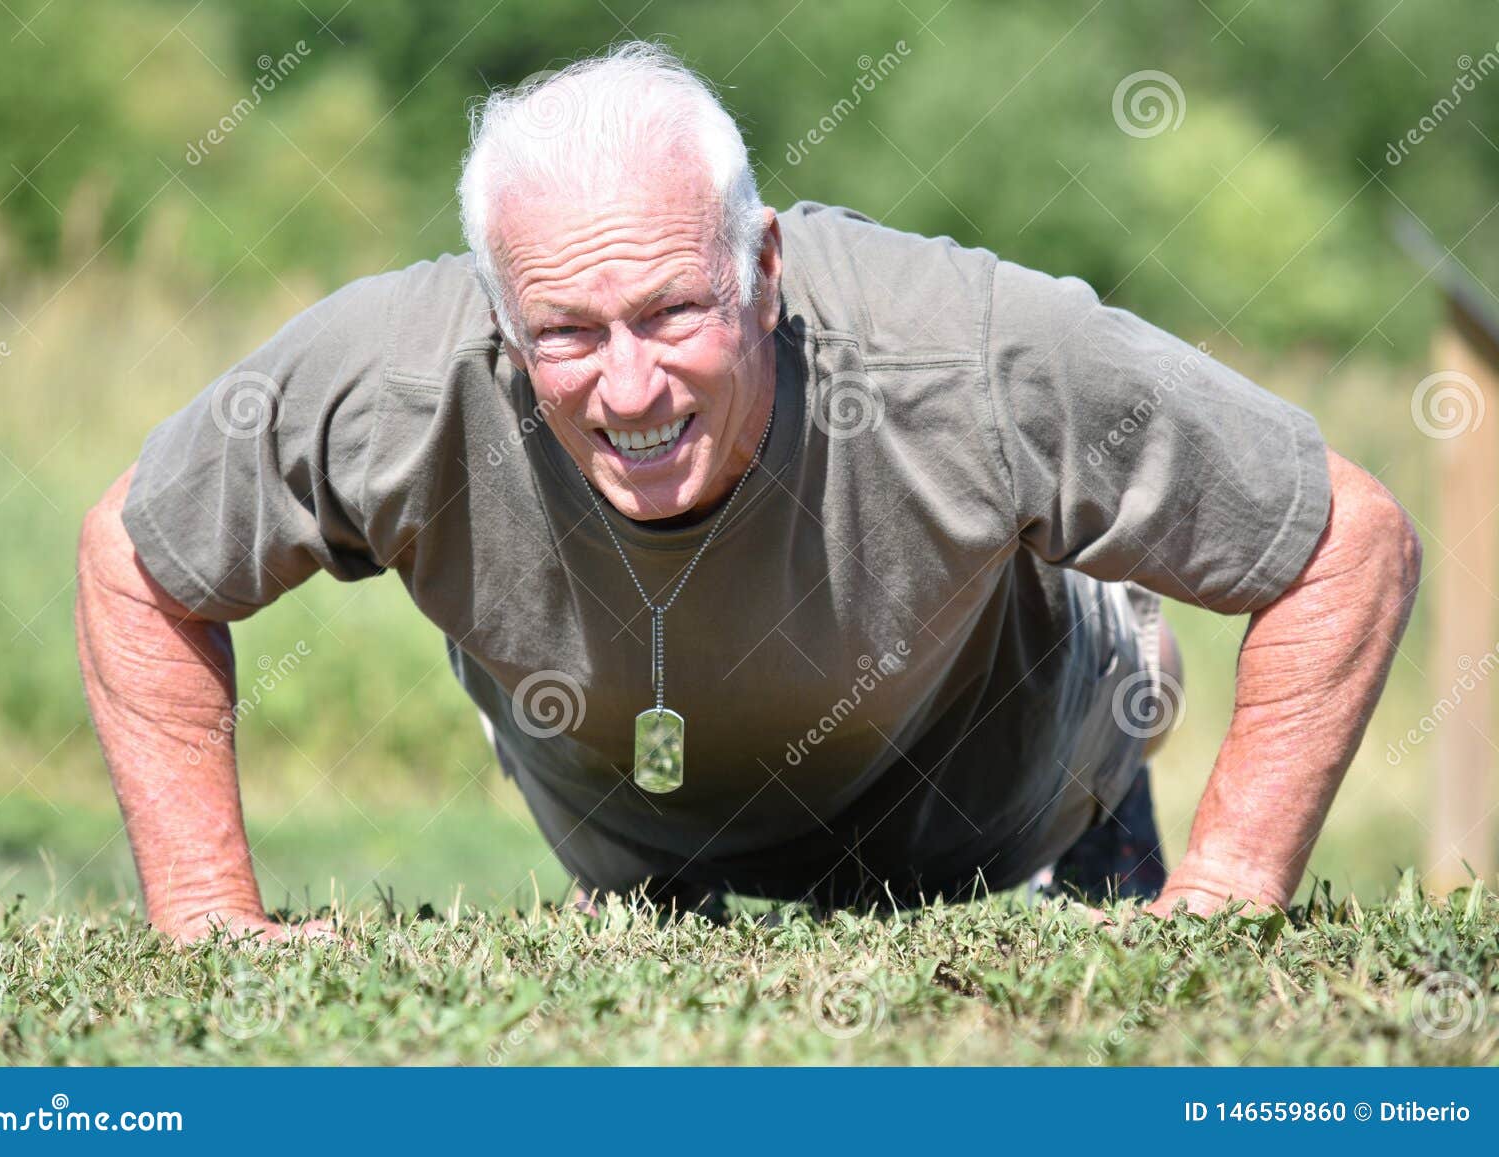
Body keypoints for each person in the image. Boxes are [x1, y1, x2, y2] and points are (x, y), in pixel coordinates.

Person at [75, 42, 1420, 943]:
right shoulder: (393, 377)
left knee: (1109, 665)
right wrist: (209, 918)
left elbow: (1344, 538)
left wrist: (1228, 897)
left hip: (1013, 796)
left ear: (763, 268)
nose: (629, 386)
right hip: (649, 844)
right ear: (498, 315)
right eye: (567, 335)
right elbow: (137, 561)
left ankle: (1116, 666)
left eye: (673, 313)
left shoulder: (969, 348)